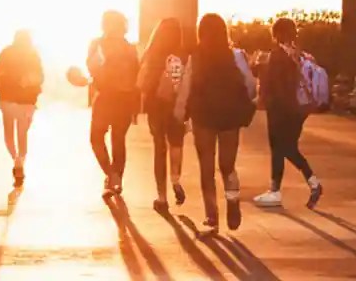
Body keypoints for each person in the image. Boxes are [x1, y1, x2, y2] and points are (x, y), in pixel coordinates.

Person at [174, 13, 257, 233]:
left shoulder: (196, 57)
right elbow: (250, 85)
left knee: (207, 168)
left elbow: (186, 86)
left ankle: (212, 217)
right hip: (230, 116)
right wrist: (244, 100)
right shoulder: (236, 56)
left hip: (203, 117)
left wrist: (180, 112)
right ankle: (232, 199)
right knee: (228, 166)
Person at [253, 18, 324, 210]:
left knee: (280, 148)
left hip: (280, 109)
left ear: (276, 34)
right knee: (288, 148)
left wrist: (262, 97)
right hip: (299, 110)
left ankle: (279, 190)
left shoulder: (276, 56)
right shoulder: (301, 55)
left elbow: (272, 85)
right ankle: (309, 183)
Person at [87, 10, 140, 199]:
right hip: (125, 99)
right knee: (118, 140)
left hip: (106, 97)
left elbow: (93, 67)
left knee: (96, 138)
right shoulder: (129, 48)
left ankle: (111, 175)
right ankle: (115, 179)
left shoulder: (98, 44)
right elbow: (137, 74)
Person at [138, 17, 189, 213]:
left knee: (159, 148)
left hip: (157, 106)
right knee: (176, 145)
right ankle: (176, 180)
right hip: (176, 106)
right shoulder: (183, 55)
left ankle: (161, 197)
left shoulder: (152, 55)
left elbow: (143, 82)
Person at [0, 30, 44, 187]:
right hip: (27, 101)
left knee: (9, 132)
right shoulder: (33, 54)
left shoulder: (6, 53)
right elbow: (40, 76)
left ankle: (16, 160)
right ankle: (20, 161)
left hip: (8, 98)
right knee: (23, 133)